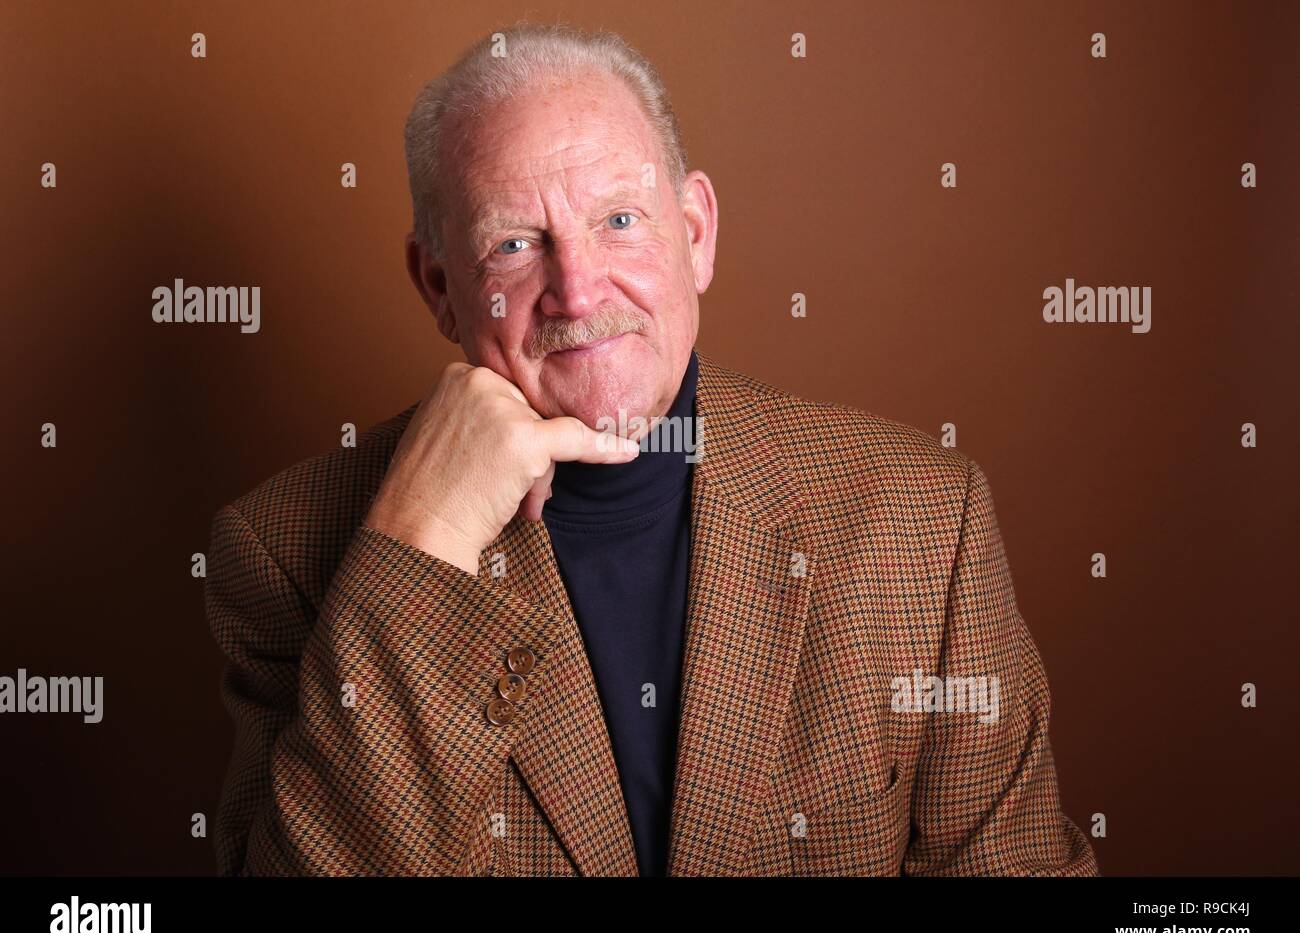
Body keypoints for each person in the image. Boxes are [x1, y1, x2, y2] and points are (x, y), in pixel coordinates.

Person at [206, 22, 1098, 877]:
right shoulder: (285, 555)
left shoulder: (923, 521)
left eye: (620, 220)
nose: (578, 288)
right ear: (440, 287)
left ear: (696, 232)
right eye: (515, 244)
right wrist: (423, 536)